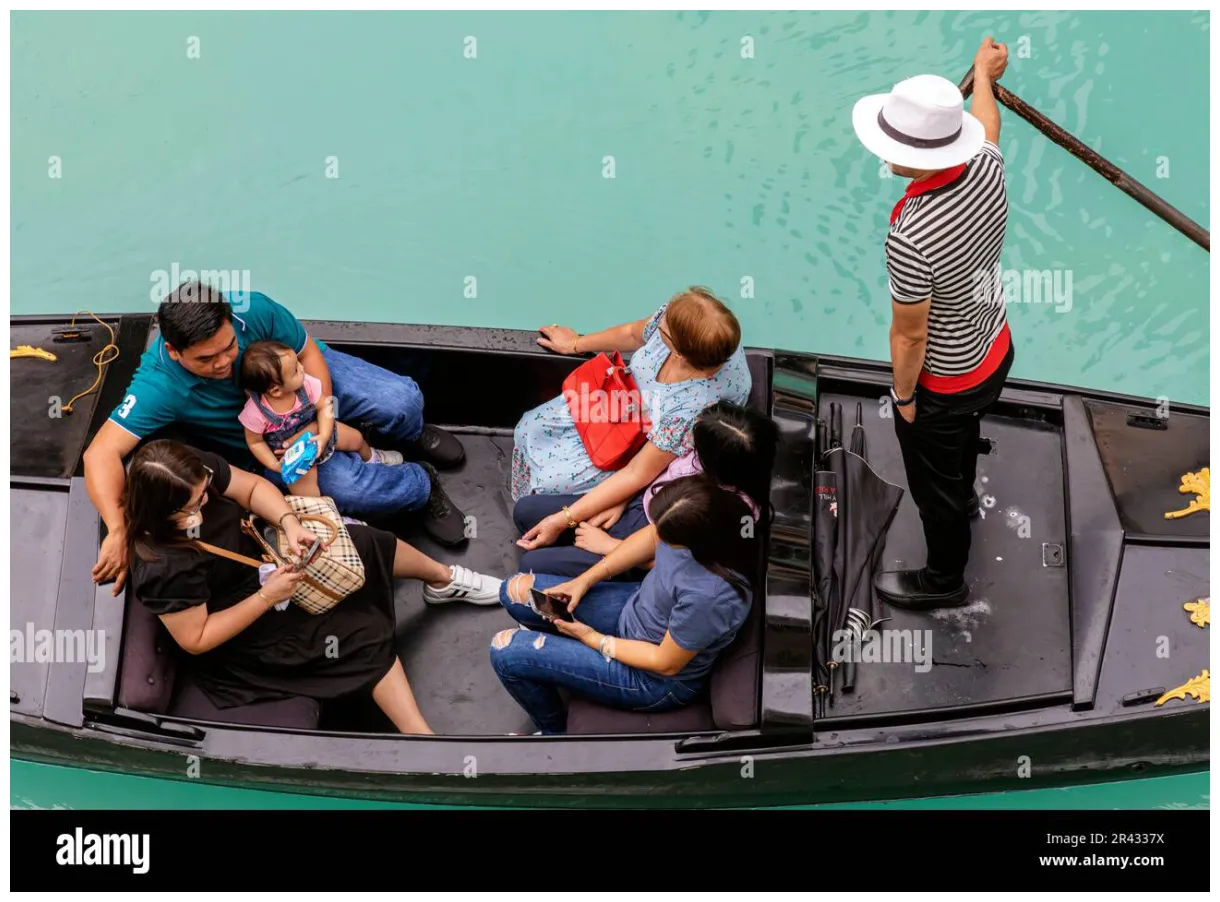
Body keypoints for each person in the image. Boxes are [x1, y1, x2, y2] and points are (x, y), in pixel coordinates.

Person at [88, 280, 469, 597]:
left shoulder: (252, 308)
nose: (223, 364)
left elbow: (306, 352)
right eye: (206, 360)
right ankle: (421, 483)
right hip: (274, 444)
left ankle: (411, 434)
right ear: (172, 351)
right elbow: (100, 454)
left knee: (401, 401)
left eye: (229, 349)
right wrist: (118, 528)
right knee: (351, 490)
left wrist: (322, 416)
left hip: (302, 381)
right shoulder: (158, 385)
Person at [123, 440, 503, 734]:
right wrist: (267, 596)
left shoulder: (189, 470)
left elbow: (253, 488)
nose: (205, 504)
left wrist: (289, 523)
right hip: (241, 630)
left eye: (205, 492)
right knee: (357, 636)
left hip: (264, 560)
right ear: (161, 512)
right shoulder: (163, 566)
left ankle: (443, 580)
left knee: (366, 542)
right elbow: (198, 638)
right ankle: (421, 736)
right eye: (193, 506)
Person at [850, 37, 1014, 609]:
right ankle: (965, 493)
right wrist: (984, 76)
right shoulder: (986, 167)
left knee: (933, 486)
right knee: (963, 436)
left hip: (944, 380)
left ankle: (945, 578)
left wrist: (903, 396)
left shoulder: (910, 235)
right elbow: (987, 121)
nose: (883, 153)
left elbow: (910, 335)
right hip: (994, 348)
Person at [489, 473, 756, 735]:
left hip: (652, 677)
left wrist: (594, 639)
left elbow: (666, 663)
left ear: (696, 544)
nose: (659, 540)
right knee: (514, 590)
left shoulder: (711, 597)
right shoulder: (697, 514)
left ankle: (554, 733)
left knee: (505, 650)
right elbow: (650, 538)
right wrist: (584, 581)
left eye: (667, 540)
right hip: (635, 609)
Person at [512, 285, 751, 517]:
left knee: (547, 482)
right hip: (615, 398)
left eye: (664, 328)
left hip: (632, 444)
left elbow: (638, 472)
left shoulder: (692, 410)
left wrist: (620, 500)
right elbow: (631, 333)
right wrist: (574, 344)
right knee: (527, 428)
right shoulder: (684, 322)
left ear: (679, 353)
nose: (659, 321)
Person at [512, 400, 778, 578]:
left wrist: (610, 547)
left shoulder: (726, 513)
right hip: (638, 506)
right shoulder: (718, 452)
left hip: (641, 548)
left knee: (531, 566)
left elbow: (680, 567)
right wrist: (622, 499)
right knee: (526, 511)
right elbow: (645, 472)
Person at [238, 340, 403, 498]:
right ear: (275, 390)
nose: (302, 368)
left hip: (319, 431)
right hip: (295, 455)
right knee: (307, 493)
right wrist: (274, 465)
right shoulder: (255, 413)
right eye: (295, 370)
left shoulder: (305, 385)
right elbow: (255, 442)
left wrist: (324, 435)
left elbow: (326, 406)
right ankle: (329, 516)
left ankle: (372, 458)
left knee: (356, 438)